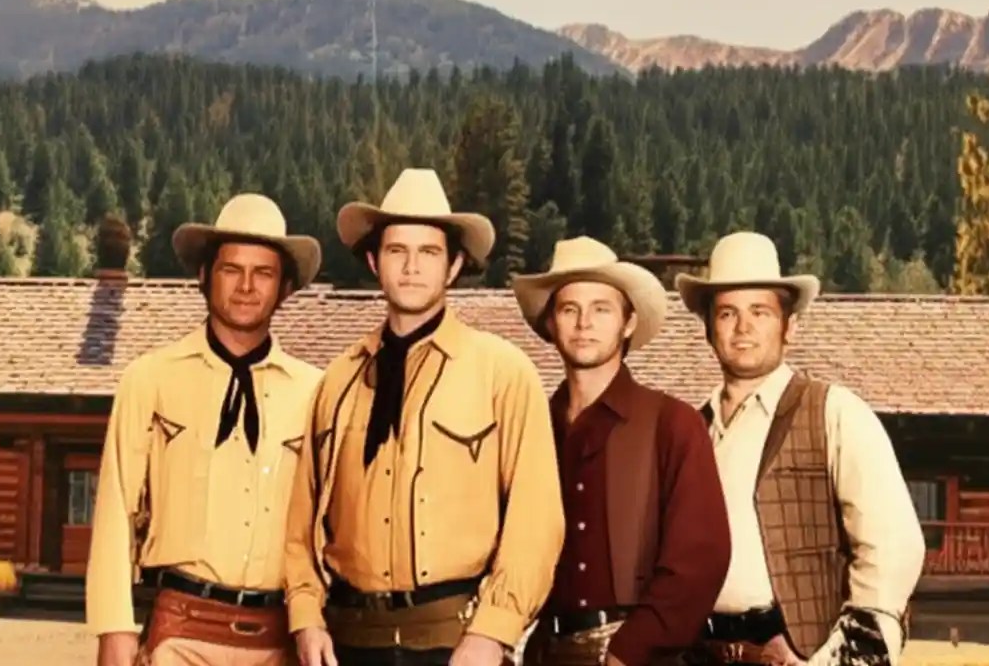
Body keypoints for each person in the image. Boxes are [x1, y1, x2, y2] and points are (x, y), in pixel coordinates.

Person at [283, 168, 565, 666]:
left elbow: (536, 521)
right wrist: (305, 615)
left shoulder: (502, 374)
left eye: (429, 253)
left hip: (456, 642)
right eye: (397, 251)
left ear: (454, 266)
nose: (412, 267)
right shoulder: (337, 382)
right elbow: (299, 522)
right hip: (348, 640)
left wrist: (493, 632)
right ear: (374, 261)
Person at [85, 194, 324, 666]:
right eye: (231, 269)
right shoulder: (151, 378)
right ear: (203, 275)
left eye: (264, 273)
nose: (246, 287)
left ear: (286, 288)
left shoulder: (315, 391)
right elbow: (116, 509)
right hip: (180, 630)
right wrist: (114, 628)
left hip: (279, 638)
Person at [674, 231, 925, 666]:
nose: (743, 327)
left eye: (760, 312)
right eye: (728, 313)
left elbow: (893, 547)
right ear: (708, 328)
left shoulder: (835, 412)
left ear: (790, 325)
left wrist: (836, 659)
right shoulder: (694, 430)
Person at [511, 236, 732, 666]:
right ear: (551, 323)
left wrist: (630, 649)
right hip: (544, 653)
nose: (584, 323)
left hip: (637, 655)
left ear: (628, 323)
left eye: (601, 309)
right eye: (569, 309)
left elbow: (700, 558)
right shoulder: (532, 426)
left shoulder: (672, 424)